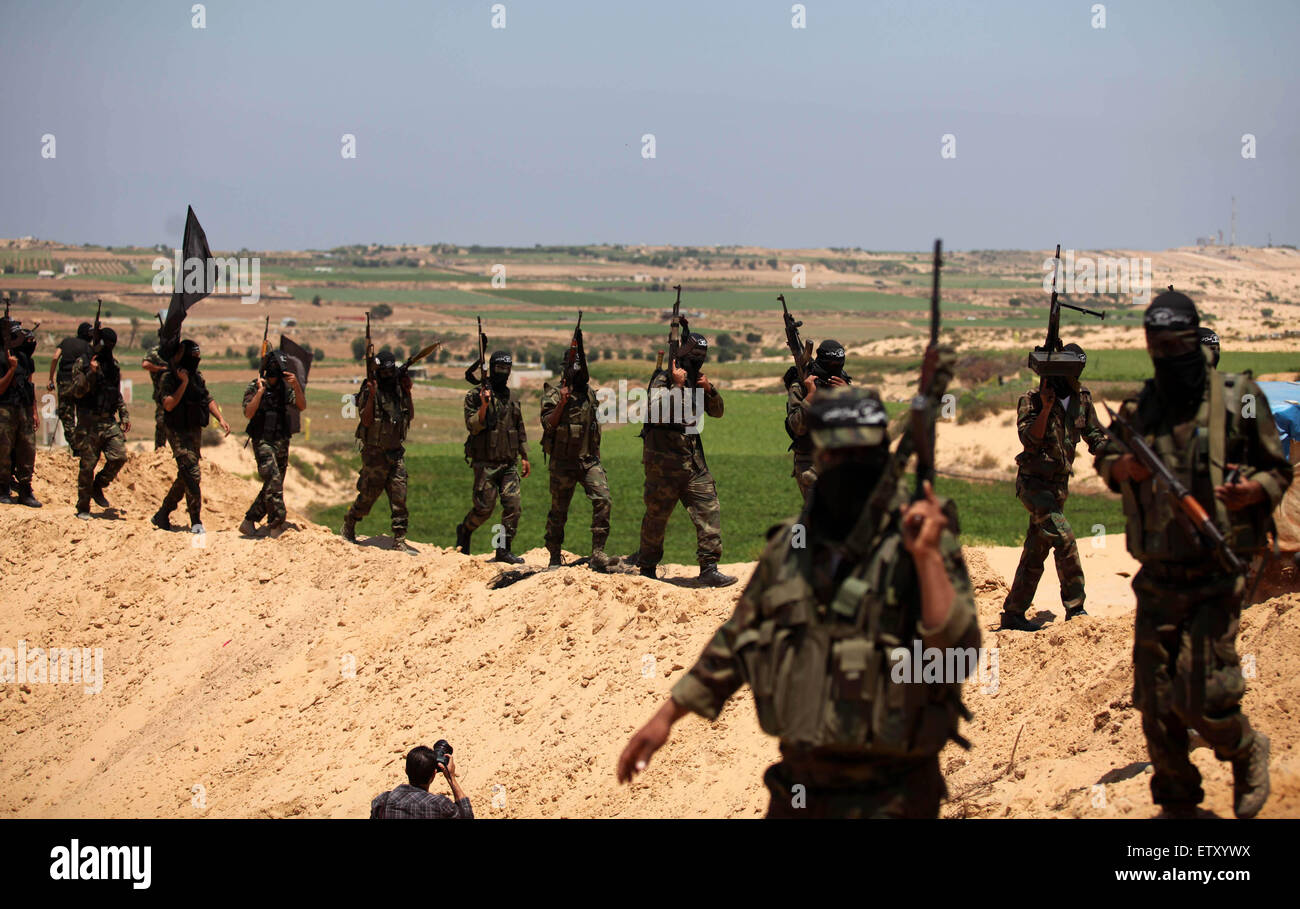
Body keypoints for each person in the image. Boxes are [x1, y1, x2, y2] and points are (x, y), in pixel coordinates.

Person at [618, 384, 980, 817]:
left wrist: (925, 557)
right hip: (802, 784)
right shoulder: (793, 547)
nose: (847, 470)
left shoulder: (920, 540)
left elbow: (958, 647)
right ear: (821, 458)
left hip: (895, 792)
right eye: (837, 457)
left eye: (859, 459)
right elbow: (739, 637)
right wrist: (667, 717)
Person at [1094, 287, 1291, 819]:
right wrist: (1122, 468)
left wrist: (1254, 491)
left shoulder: (1237, 398)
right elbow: (1108, 455)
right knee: (1156, 706)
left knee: (1205, 694)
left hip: (1216, 571)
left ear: (1193, 341)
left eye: (1175, 345)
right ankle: (1179, 807)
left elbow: (1278, 468)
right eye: (1156, 346)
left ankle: (1246, 750)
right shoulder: (1144, 406)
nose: (1166, 356)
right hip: (1157, 575)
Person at [998, 343, 1108, 631]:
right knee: (1065, 538)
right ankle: (1076, 610)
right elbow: (1029, 440)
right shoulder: (1032, 400)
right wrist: (1046, 409)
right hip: (1034, 486)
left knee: (1037, 550)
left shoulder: (1082, 399)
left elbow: (1094, 434)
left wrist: (1113, 451)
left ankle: (1013, 614)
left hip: (1059, 489)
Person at [636, 333, 735, 587]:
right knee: (657, 516)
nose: (698, 361)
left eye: (702, 357)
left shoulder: (695, 381)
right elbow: (655, 413)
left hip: (692, 461)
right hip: (663, 463)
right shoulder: (662, 379)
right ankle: (647, 568)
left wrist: (709, 390)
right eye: (694, 356)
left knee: (708, 506)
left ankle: (709, 567)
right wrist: (677, 387)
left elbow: (718, 412)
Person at [455, 351, 530, 564]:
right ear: (491, 368)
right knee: (484, 509)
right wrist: (484, 405)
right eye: (499, 368)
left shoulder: (512, 398)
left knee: (513, 506)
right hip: (485, 464)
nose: (503, 373)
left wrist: (524, 455)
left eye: (507, 369)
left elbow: (519, 427)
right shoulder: (474, 396)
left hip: (508, 464)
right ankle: (465, 530)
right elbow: (473, 425)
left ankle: (503, 550)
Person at [540, 350, 612, 570]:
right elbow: (548, 424)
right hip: (562, 463)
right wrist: (562, 402)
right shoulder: (553, 394)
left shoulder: (589, 394)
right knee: (558, 511)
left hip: (588, 461)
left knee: (603, 500)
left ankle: (598, 552)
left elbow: (593, 428)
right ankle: (554, 556)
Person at [341, 350, 416, 553]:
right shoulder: (369, 389)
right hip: (374, 454)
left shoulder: (398, 390)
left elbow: (410, 416)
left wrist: (408, 392)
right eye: (384, 371)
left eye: (390, 371)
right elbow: (365, 421)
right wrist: (372, 394)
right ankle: (350, 524)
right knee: (367, 497)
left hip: (395, 452)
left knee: (399, 496)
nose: (388, 375)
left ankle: (399, 540)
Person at [152, 340, 230, 534]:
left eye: (197, 358)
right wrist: (183, 383)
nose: (195, 361)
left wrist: (220, 418)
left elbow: (206, 398)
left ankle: (163, 513)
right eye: (191, 357)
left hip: (194, 429)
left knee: (186, 475)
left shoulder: (197, 377)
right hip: (176, 430)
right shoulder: (168, 378)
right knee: (192, 473)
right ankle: (196, 521)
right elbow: (168, 405)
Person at [239, 349, 306, 537]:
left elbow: (301, 405)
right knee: (273, 480)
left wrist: (297, 387)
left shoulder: (285, 387)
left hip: (282, 440)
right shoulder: (256, 385)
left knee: (273, 484)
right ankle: (276, 524)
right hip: (263, 440)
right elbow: (248, 413)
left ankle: (249, 520)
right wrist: (260, 393)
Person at [67, 327, 129, 519]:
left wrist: (124, 414)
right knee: (87, 466)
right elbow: (76, 391)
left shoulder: (113, 365)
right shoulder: (83, 363)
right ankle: (83, 507)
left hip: (108, 420)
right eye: (106, 344)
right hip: (89, 422)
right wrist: (91, 374)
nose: (108, 348)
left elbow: (115, 392)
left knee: (119, 457)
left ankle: (98, 486)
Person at [784, 339, 851, 501]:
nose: (835, 369)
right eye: (831, 364)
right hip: (811, 462)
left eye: (839, 364)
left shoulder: (842, 384)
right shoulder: (802, 386)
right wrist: (810, 398)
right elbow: (796, 428)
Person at [370, 744, 473, 819]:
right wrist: (451, 778)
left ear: (406, 771)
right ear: (433, 775)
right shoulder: (440, 805)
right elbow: (467, 816)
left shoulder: (382, 801)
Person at [0, 328, 40, 507]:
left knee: (27, 450)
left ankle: (25, 490)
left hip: (23, 409)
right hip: (5, 408)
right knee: (4, 451)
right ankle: (2, 489)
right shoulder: (2, 358)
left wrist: (34, 411)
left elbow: (29, 386)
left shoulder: (25, 358)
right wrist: (11, 369)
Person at [47, 322, 92, 451]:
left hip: (64, 382)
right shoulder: (88, 347)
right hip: (81, 384)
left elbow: (55, 357)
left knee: (67, 417)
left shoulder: (66, 341)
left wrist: (50, 378)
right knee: (82, 415)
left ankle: (75, 446)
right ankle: (83, 446)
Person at [141, 341, 170, 450]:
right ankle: (160, 449)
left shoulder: (178, 350)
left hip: (178, 394)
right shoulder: (156, 351)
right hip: (162, 395)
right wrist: (161, 369)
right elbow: (145, 364)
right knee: (162, 422)